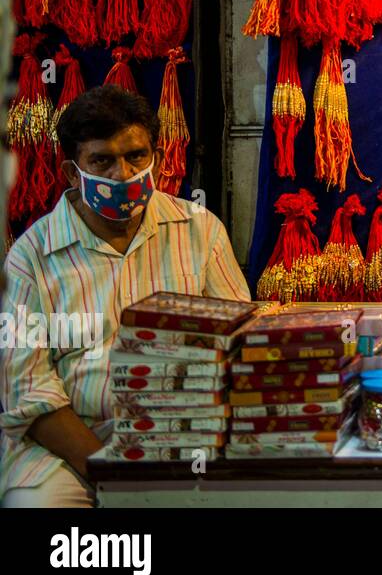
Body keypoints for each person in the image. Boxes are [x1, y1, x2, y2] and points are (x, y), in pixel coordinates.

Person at [0, 86, 250, 508]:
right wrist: (109, 471)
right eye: (102, 160)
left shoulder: (200, 230)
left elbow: (237, 346)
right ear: (71, 173)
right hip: (64, 452)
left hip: (183, 436)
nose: (123, 174)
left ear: (158, 158)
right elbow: (27, 391)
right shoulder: (31, 256)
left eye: (136, 156)